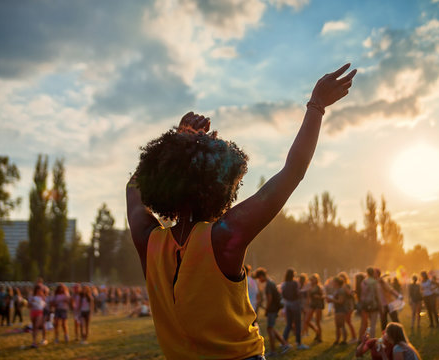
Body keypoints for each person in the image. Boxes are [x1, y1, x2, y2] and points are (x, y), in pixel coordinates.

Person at [126, 64, 356, 359]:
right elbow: (293, 172)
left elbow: (133, 189)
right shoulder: (223, 237)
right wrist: (316, 106)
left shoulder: (150, 242)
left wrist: (178, 139)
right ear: (221, 185)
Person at [256, 268, 291, 356]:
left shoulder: (268, 284)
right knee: (271, 328)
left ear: (261, 276)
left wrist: (267, 309)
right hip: (275, 308)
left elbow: (269, 298)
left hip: (272, 309)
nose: (259, 280)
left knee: (270, 328)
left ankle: (273, 351)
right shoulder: (271, 282)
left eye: (259, 278)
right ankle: (285, 344)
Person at [281, 268, 308, 350]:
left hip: (287, 304)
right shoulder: (295, 283)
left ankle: (283, 341)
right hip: (295, 304)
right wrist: (304, 292)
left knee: (289, 324)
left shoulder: (284, 284)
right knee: (298, 324)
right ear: (293, 275)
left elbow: (283, 294)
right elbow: (297, 293)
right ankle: (299, 343)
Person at [359, 267, 381, 340]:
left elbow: (361, 293)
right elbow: (377, 294)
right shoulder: (375, 282)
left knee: (364, 323)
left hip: (364, 304)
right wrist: (381, 305)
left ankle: (362, 339)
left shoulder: (363, 282)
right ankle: (372, 340)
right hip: (373, 304)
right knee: (373, 324)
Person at [304, 273, 324, 343]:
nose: (311, 281)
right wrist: (307, 305)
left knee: (317, 322)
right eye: (311, 279)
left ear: (316, 280)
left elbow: (323, 296)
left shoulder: (318, 287)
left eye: (313, 279)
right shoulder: (310, 288)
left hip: (318, 304)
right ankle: (317, 331)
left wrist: (317, 296)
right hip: (312, 304)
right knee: (306, 321)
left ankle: (319, 337)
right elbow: (308, 298)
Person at [338, 272, 357, 343]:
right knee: (348, 322)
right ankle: (351, 337)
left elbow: (350, 293)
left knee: (348, 322)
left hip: (348, 306)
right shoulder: (344, 286)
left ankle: (354, 337)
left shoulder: (345, 286)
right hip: (347, 306)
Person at [328, 277, 349, 345]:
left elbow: (341, 301)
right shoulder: (336, 290)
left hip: (341, 309)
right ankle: (337, 340)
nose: (332, 283)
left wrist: (331, 300)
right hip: (337, 310)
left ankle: (344, 340)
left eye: (333, 282)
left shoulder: (340, 290)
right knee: (337, 326)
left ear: (336, 283)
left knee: (342, 325)